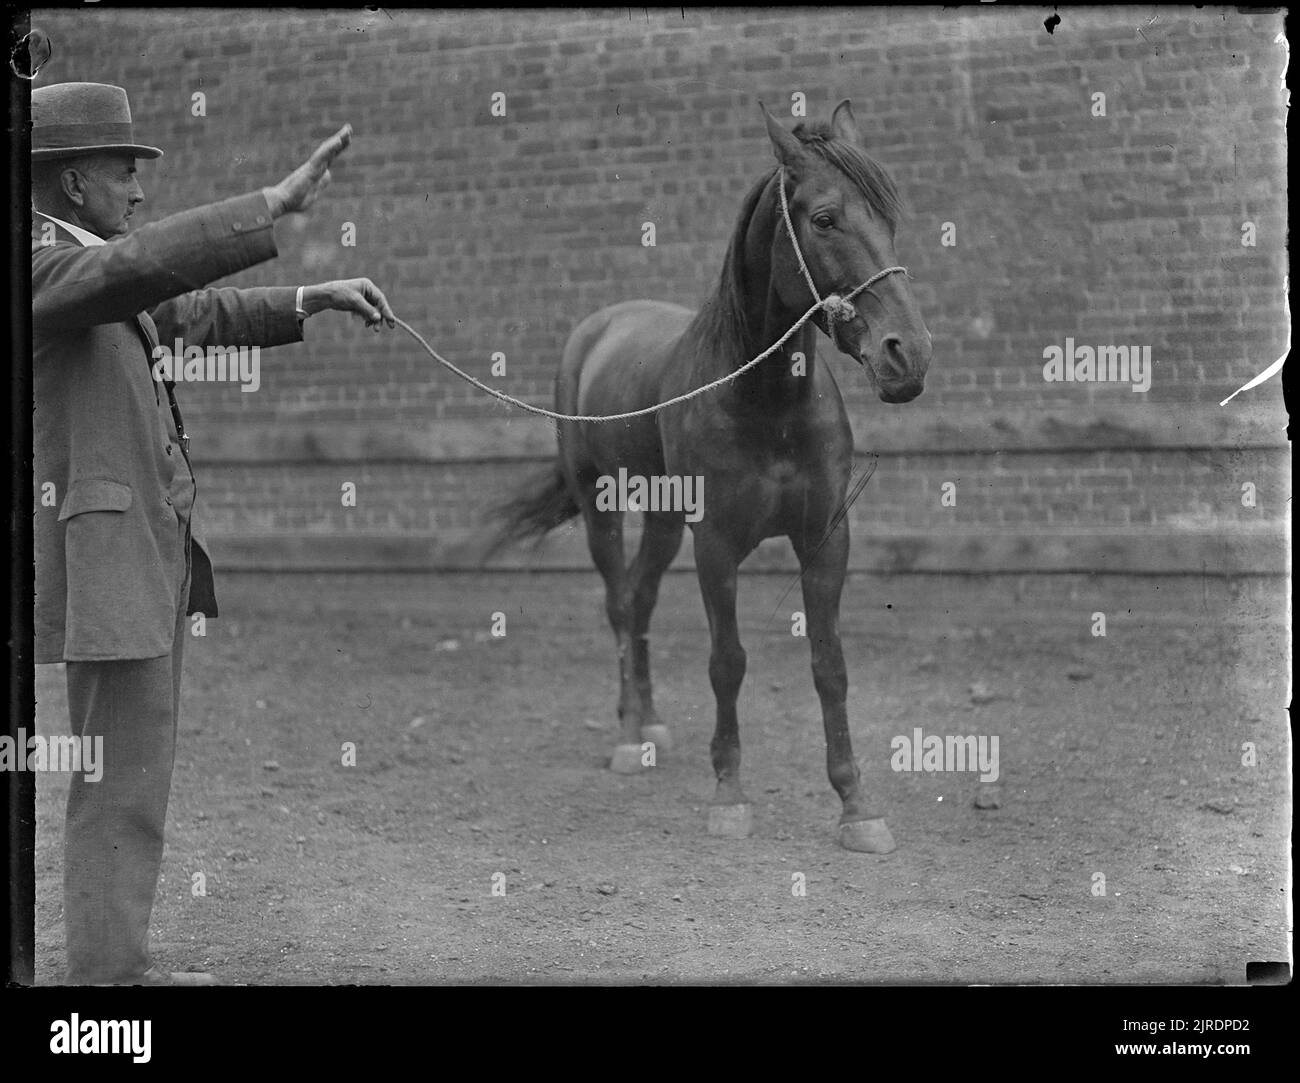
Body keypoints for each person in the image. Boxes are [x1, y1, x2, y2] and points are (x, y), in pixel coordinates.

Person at [31, 81, 397, 985]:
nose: (140, 189)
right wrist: (269, 205)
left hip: (146, 559)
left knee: (135, 777)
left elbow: (190, 313)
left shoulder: (95, 269)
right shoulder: (50, 268)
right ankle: (105, 985)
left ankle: (113, 964)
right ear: (73, 184)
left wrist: (311, 295)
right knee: (117, 785)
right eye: (124, 170)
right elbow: (145, 270)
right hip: (110, 563)